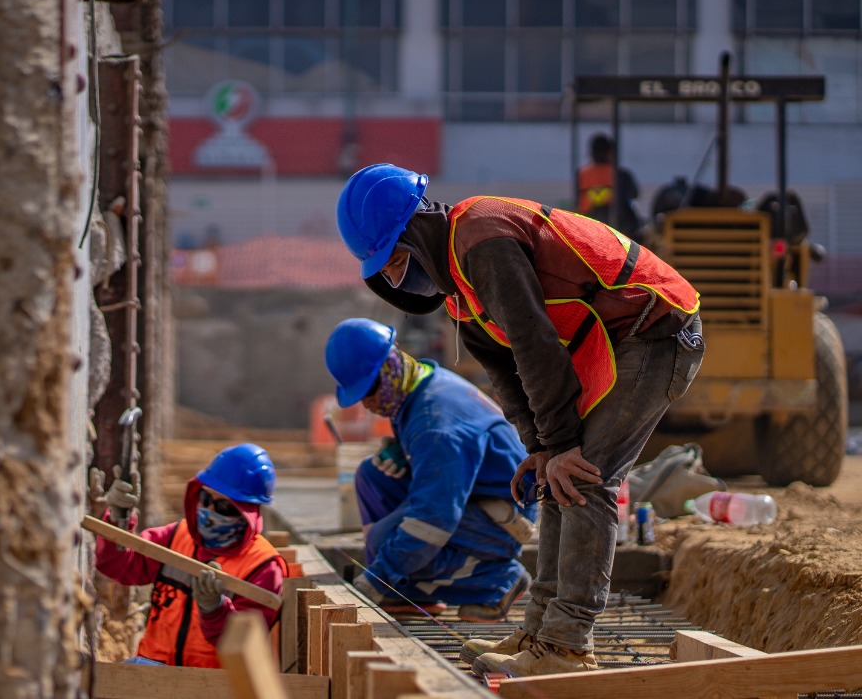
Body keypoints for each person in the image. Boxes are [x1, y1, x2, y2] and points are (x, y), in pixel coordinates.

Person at [335, 163, 705, 676]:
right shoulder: (460, 291)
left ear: (417, 230)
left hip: (657, 328)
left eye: (397, 261)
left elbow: (533, 343)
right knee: (557, 477)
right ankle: (540, 631)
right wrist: (540, 447)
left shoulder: (482, 240)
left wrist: (562, 445)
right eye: (389, 272)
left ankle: (568, 644)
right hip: (611, 340)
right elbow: (507, 375)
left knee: (585, 478)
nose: (399, 278)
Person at [324, 318, 537, 622]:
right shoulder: (417, 387)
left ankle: (499, 581)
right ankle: (406, 593)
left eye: (370, 388)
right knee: (372, 476)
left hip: (501, 514)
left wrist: (376, 579)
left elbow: (433, 519)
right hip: (472, 493)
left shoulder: (436, 425)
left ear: (392, 365)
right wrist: (406, 450)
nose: (368, 403)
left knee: (389, 541)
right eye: (360, 395)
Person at [88, 444, 288, 668]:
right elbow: (117, 565)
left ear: (248, 512)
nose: (210, 511)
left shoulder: (262, 567)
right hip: (150, 675)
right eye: (206, 498)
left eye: (224, 506)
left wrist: (215, 609)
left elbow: (247, 644)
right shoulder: (176, 537)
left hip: (214, 687)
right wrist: (117, 520)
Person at [577, 133, 643, 242]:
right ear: (610, 153)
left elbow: (578, 203)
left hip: (586, 227)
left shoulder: (582, 174)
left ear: (591, 153)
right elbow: (634, 194)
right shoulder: (620, 174)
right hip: (618, 231)